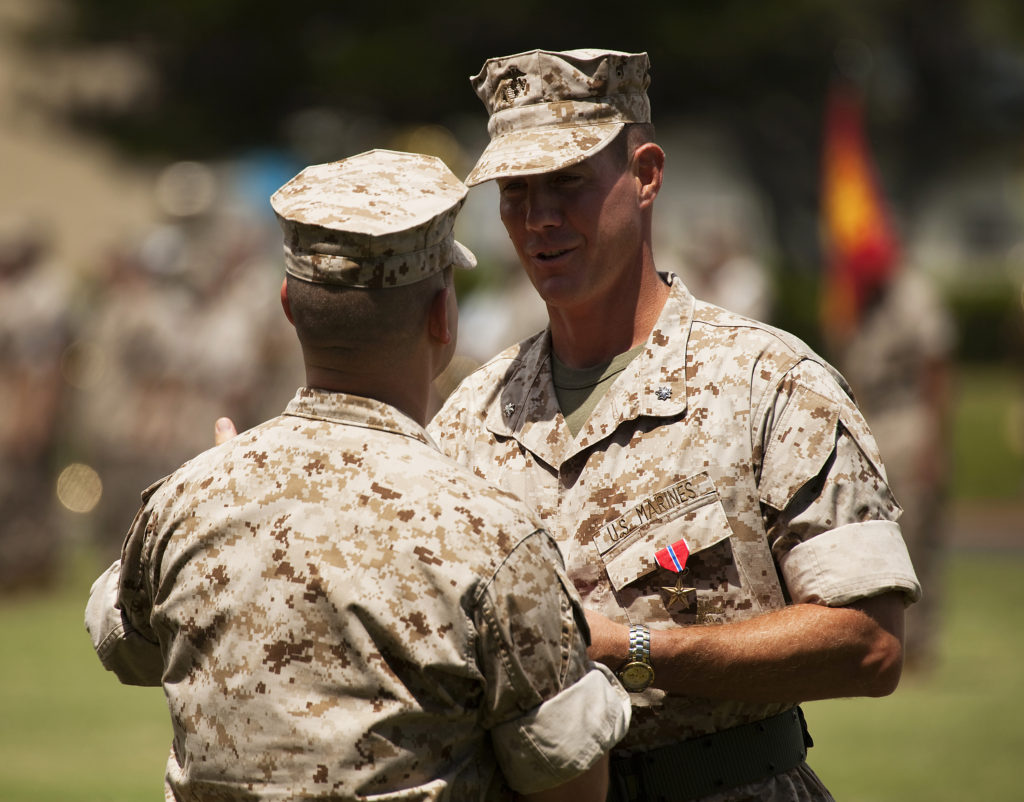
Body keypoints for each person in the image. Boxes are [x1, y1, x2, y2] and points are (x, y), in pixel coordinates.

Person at [427, 49, 922, 801]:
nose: (539, 220)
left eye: (567, 183)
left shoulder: (767, 385)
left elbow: (869, 644)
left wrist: (636, 650)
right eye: (515, 192)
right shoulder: (471, 415)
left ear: (648, 174)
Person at [85, 149, 630, 802]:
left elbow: (124, 643)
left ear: (290, 306)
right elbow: (569, 785)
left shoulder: (188, 502)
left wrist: (220, 486)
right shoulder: (493, 537)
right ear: (442, 317)